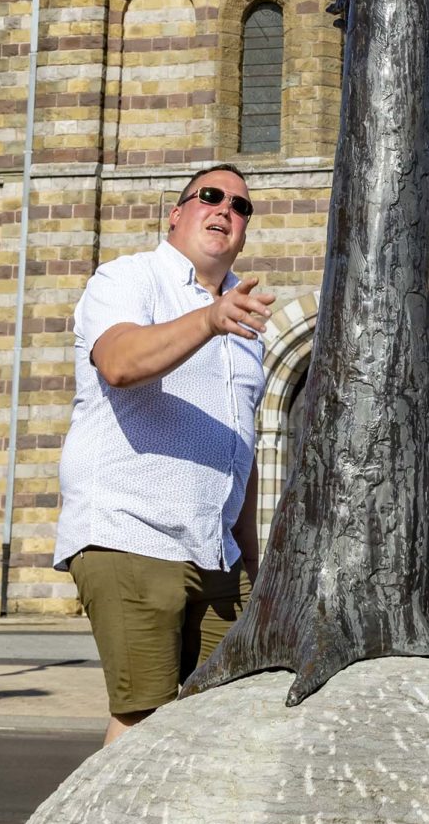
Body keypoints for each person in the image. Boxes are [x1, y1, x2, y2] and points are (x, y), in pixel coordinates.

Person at [55, 166, 272, 744]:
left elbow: (240, 445)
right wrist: (207, 320)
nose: (226, 209)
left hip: (217, 552)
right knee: (144, 720)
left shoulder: (246, 322)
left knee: (229, 711)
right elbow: (120, 363)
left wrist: (250, 557)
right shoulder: (128, 278)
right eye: (210, 197)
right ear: (177, 214)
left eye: (241, 207)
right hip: (132, 532)